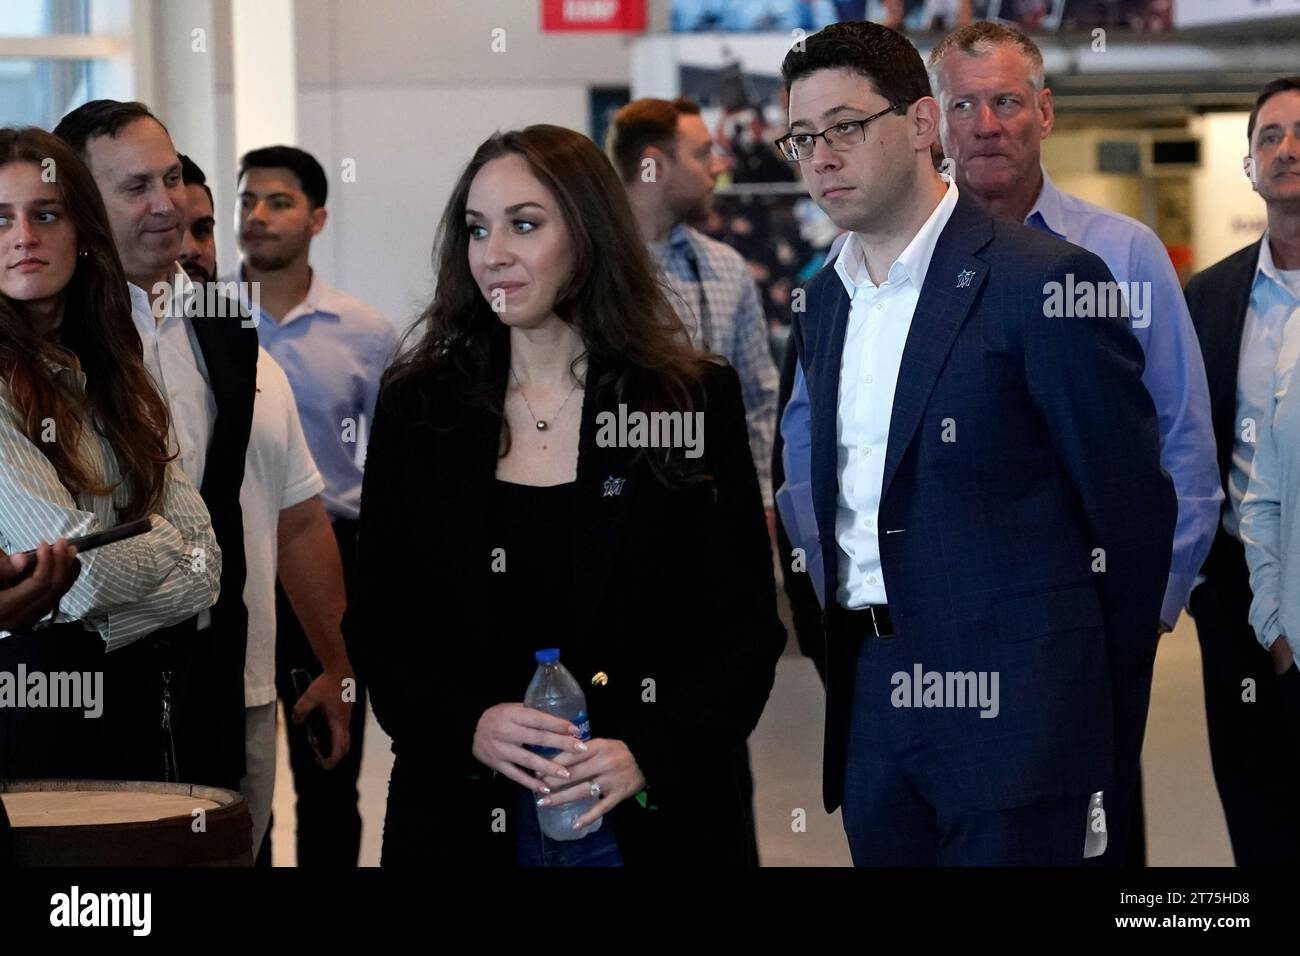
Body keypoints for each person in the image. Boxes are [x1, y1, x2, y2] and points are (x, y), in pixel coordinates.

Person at [777, 21, 1175, 865]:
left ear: (923, 125)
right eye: (803, 137)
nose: (822, 155)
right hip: (874, 705)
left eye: (846, 127)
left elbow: (1130, 520)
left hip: (1019, 718)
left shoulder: (1046, 280)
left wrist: (1095, 731)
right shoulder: (822, 306)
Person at [342, 123, 786, 867]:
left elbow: (741, 627)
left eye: (525, 225)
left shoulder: (686, 398)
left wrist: (648, 749)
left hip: (647, 817)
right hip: (464, 812)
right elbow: (383, 623)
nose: (495, 255)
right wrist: (468, 724)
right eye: (478, 230)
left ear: (587, 234)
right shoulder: (423, 407)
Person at [0, 125, 221, 782]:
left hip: (133, 706)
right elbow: (79, 573)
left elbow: (207, 562)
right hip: (29, 715)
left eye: (45, 214)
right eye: (1, 219)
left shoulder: (114, 373)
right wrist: (156, 546)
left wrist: (87, 617)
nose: (22, 237)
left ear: (83, 232)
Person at [53, 101, 257, 792]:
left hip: (208, 662)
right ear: (79, 205)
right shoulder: (46, 340)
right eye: (135, 187)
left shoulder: (229, 325)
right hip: (80, 674)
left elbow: (223, 503)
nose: (166, 204)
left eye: (170, 179)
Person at [176, 154, 356, 859]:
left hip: (245, 670)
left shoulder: (251, 362)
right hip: (118, 686)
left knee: (245, 845)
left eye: (201, 227)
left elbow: (302, 520)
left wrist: (338, 666)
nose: (189, 247)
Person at [227, 145, 393, 866]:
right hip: (230, 565)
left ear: (318, 218)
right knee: (234, 778)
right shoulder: (202, 320)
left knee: (331, 768)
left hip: (333, 559)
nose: (256, 217)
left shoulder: (365, 332)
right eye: (248, 201)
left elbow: (388, 474)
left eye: (279, 202)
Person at [1186, 76, 1300, 865]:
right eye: (1269, 137)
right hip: (1240, 608)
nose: (1287, 149)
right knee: (1260, 818)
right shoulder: (1210, 297)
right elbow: (1184, 448)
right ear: (1249, 165)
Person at [608, 97, 781, 520]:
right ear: (655, 165)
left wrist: (763, 501)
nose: (719, 166)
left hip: (714, 514)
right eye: (703, 153)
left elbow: (758, 401)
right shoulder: (583, 269)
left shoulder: (726, 268)